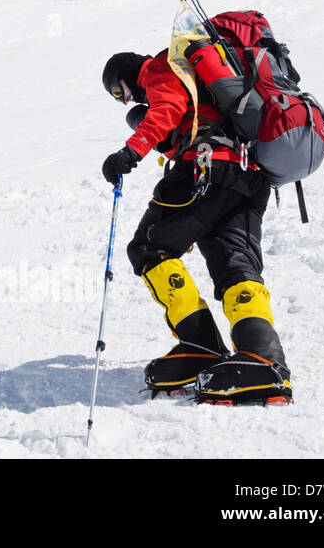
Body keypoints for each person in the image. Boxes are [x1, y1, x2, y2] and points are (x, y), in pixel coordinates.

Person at [101, 50, 291, 405]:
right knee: (235, 265)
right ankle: (262, 358)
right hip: (248, 175)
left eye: (119, 90)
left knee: (148, 247)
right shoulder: (197, 78)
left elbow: (167, 107)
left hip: (205, 166)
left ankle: (201, 345)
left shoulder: (160, 68)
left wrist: (130, 152)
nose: (125, 99)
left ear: (127, 73)